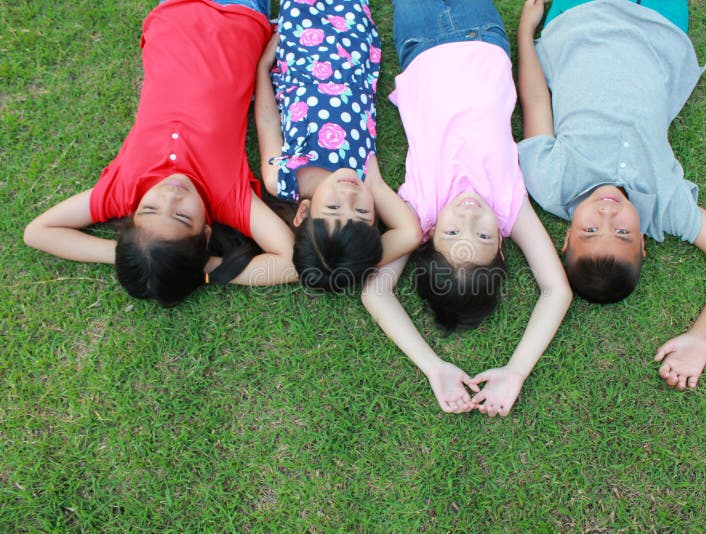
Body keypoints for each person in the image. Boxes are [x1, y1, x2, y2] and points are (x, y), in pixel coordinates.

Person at [516, 0, 706, 389]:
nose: (608, 216)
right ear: (644, 243)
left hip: (580, 17)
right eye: (624, 234)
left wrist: (526, 35)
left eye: (590, 231)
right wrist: (701, 337)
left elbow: (534, 100)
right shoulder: (665, 206)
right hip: (660, 27)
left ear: (567, 236)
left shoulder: (550, 183)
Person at [361, 0, 573, 417]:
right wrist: (515, 371)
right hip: (483, 34)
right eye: (483, 235)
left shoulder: (420, 209)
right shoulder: (510, 205)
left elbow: (376, 291)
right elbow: (556, 290)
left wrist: (433, 366)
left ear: (427, 238)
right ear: (501, 246)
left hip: (420, 41)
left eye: (453, 233)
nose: (470, 217)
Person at [23, 0, 299, 306]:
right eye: (182, 216)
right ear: (205, 235)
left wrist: (130, 254)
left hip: (174, 10)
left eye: (150, 209)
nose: (170, 195)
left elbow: (37, 232)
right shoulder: (227, 199)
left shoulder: (122, 190)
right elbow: (289, 260)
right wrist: (203, 267)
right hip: (237, 12)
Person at [256, 0, 421, 293]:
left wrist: (262, 67)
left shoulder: (281, 179)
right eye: (361, 212)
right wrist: (356, 256)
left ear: (304, 212)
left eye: (333, 207)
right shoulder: (367, 180)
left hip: (300, 43)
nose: (349, 194)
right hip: (352, 43)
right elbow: (409, 233)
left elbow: (268, 122)